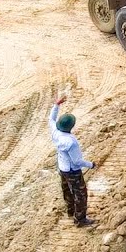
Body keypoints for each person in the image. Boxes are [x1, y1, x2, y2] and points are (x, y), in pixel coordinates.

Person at [49, 93, 95, 227]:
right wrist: (90, 164)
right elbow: (77, 161)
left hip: (62, 168)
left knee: (66, 190)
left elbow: (51, 119)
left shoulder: (55, 132)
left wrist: (56, 105)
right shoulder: (71, 142)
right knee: (80, 194)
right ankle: (80, 219)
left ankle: (70, 210)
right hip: (72, 171)